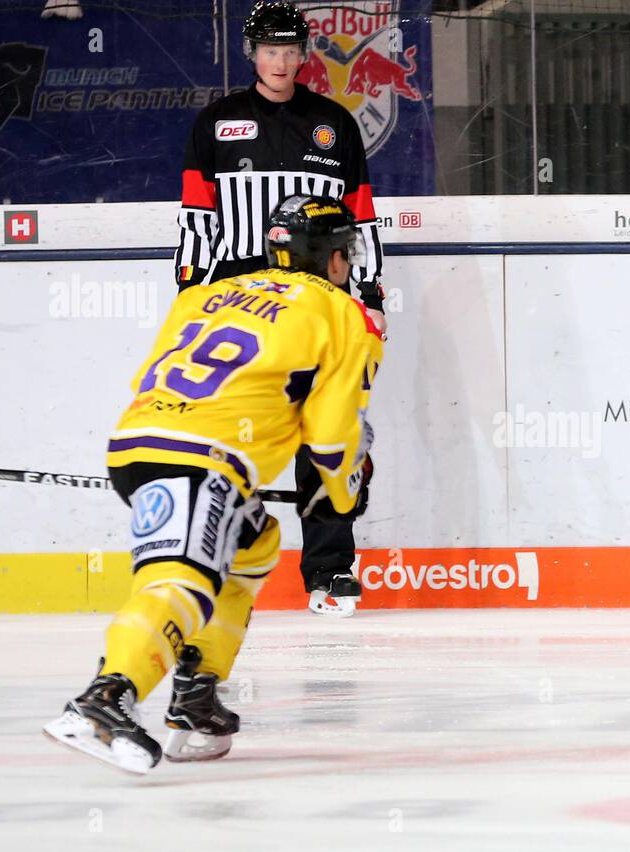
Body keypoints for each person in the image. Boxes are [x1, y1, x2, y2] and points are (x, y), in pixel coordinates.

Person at [44, 196, 385, 773]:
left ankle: (195, 696)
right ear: (329, 258)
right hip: (206, 458)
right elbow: (329, 438)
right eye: (343, 251)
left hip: (141, 439)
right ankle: (104, 699)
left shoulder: (205, 292)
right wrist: (345, 490)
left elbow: (150, 372)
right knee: (182, 581)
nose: (347, 262)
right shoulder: (344, 314)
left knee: (254, 545)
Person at [174, 0, 386, 618]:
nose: (281, 62)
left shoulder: (334, 124)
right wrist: (190, 296)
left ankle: (330, 571)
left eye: (291, 51)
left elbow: (362, 220)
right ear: (252, 53)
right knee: (233, 427)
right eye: (270, 51)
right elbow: (197, 220)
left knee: (324, 430)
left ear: (303, 55)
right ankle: (211, 559)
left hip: (319, 303)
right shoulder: (216, 123)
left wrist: (369, 294)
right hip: (242, 300)